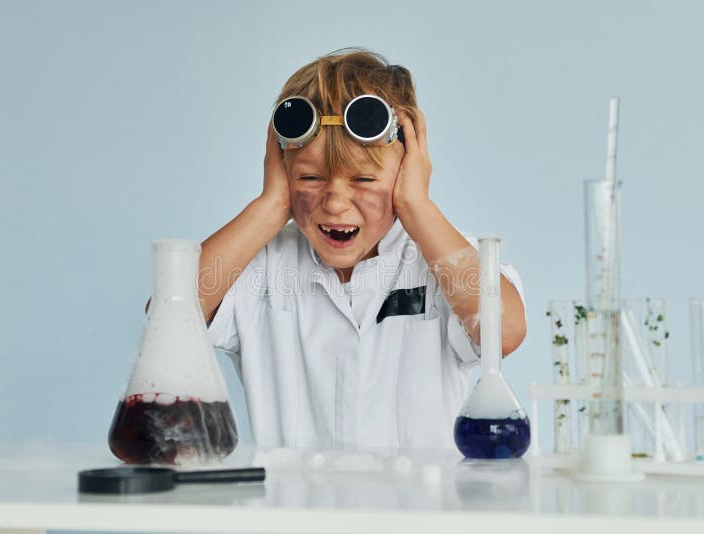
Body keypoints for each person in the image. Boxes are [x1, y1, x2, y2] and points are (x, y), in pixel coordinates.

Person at [199, 48, 526, 449]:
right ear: (283, 171)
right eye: (311, 176)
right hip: (292, 509)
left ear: (408, 170)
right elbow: (172, 313)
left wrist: (417, 205)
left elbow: (504, 332)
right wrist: (269, 206)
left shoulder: (446, 259)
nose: (335, 203)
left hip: (418, 510)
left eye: (364, 180)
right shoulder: (261, 264)